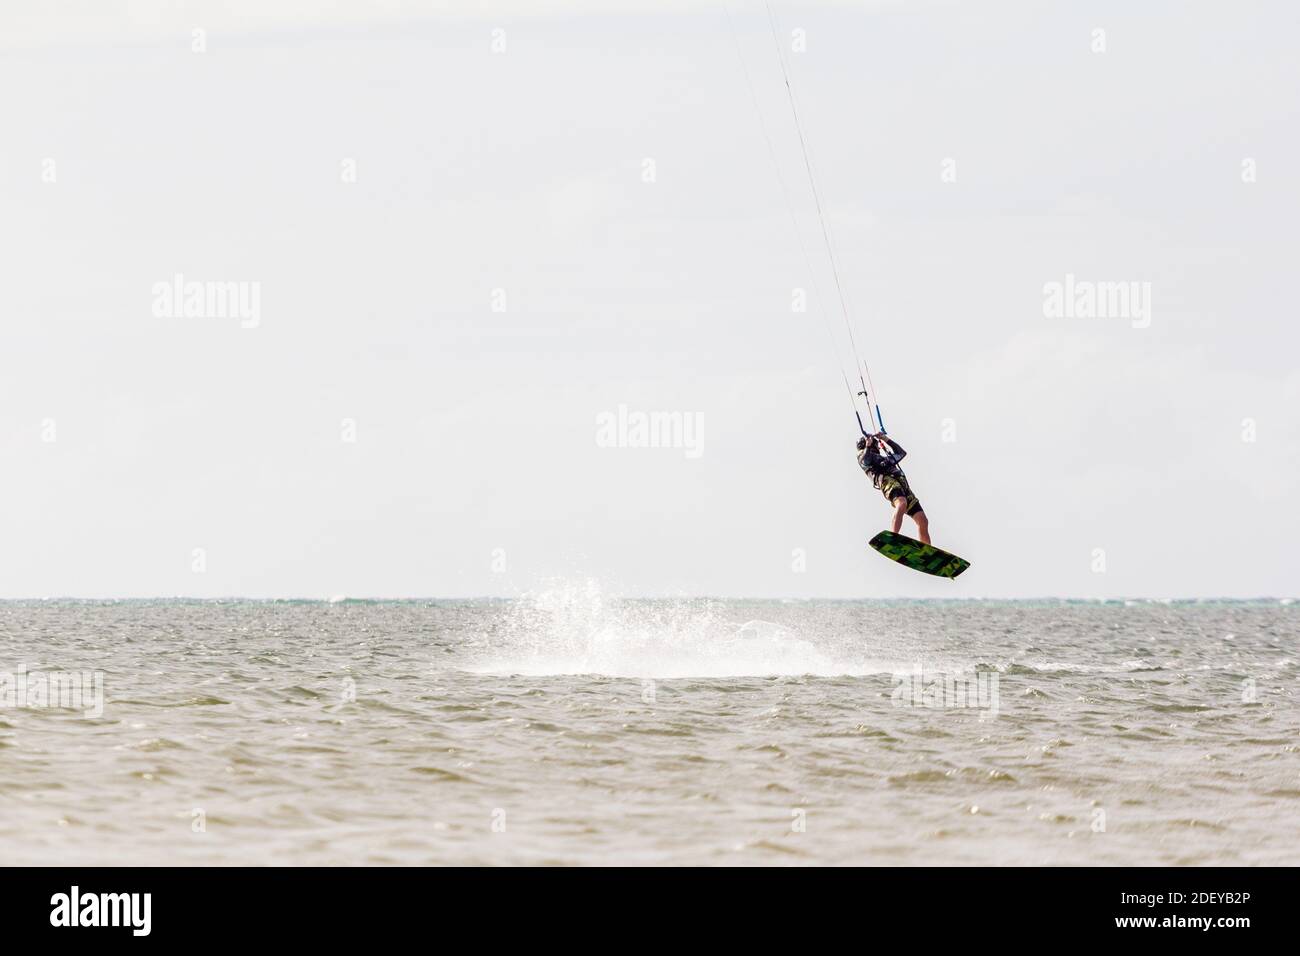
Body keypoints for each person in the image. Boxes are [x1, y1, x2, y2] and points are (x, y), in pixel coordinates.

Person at [856, 433, 930, 545]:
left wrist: (886, 439)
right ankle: (893, 536)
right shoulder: (863, 456)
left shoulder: (883, 459)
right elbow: (865, 460)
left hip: (903, 485)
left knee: (922, 520)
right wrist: (868, 445)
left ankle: (927, 551)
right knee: (901, 503)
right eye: (875, 444)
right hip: (888, 482)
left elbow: (901, 453)